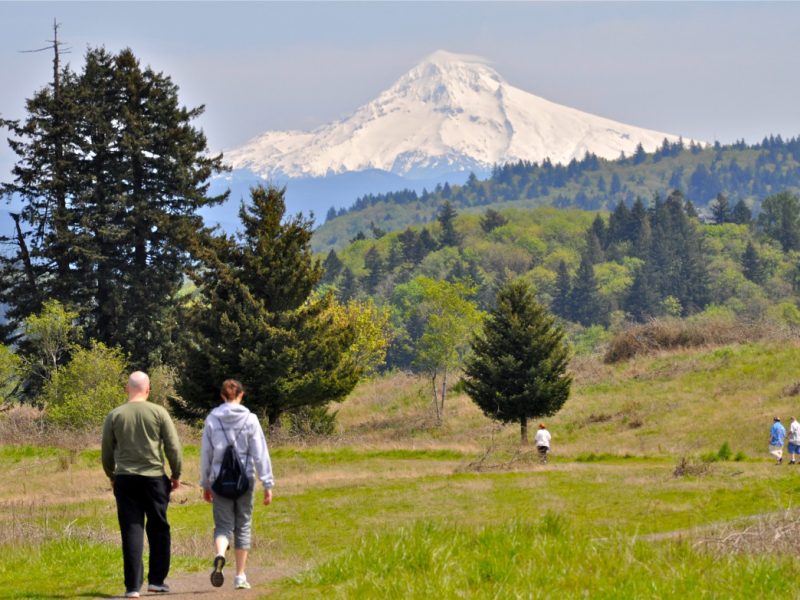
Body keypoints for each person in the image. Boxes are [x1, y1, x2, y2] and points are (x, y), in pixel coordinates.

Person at [102, 371, 182, 599]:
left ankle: (133, 587)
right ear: (148, 390)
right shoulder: (159, 412)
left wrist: (112, 475)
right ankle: (157, 581)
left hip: (125, 478)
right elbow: (173, 447)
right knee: (159, 528)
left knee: (131, 530)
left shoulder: (115, 415)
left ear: (127, 388)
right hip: (154, 478)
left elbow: (107, 452)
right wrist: (176, 474)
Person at [200, 379, 274, 590]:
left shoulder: (212, 419)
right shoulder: (250, 419)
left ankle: (220, 553)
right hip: (245, 480)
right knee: (243, 525)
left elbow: (206, 453)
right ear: (241, 395)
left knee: (223, 526)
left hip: (219, 480)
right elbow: (260, 453)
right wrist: (267, 483)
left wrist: (205, 483)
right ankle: (240, 576)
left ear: (223, 396)